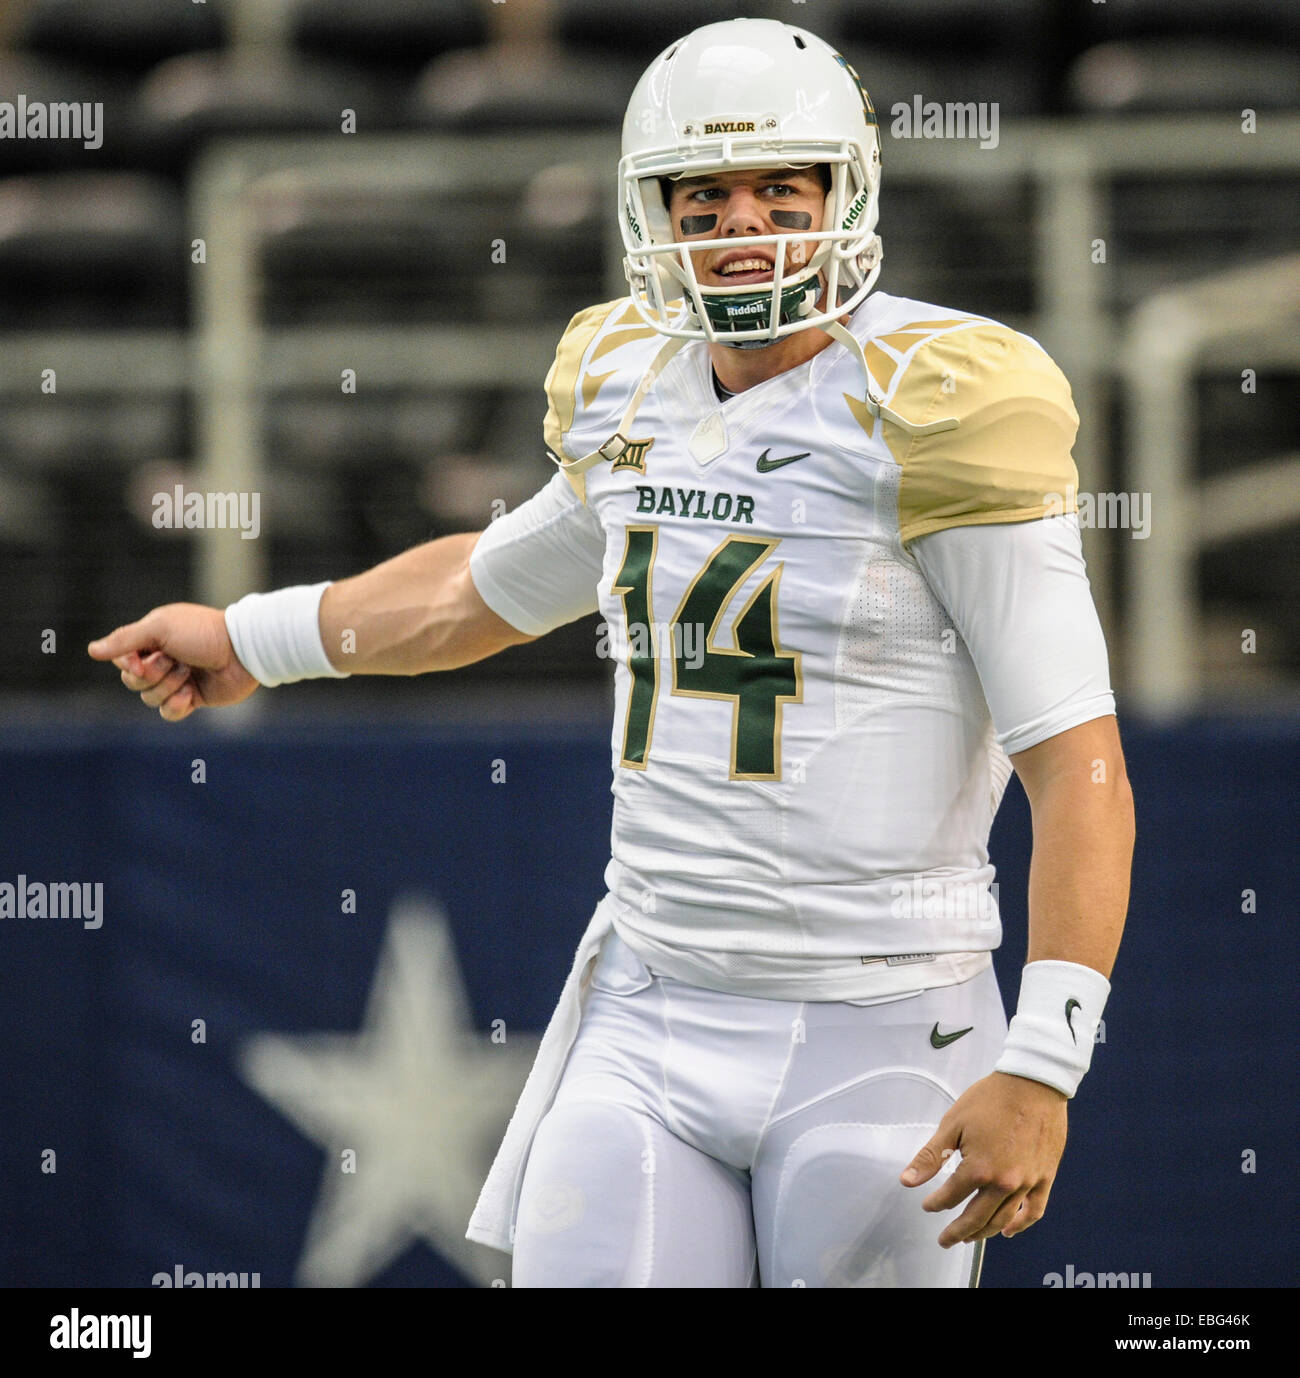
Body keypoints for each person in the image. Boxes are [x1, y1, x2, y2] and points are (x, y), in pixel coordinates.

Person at [88, 17, 1135, 1287]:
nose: (743, 224)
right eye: (705, 196)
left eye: (779, 188)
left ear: (844, 193)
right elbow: (481, 591)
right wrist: (254, 637)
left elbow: (1076, 764)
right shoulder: (631, 382)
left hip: (888, 1019)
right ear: (656, 214)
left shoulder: (941, 402)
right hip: (649, 1001)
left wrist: (1042, 1058)